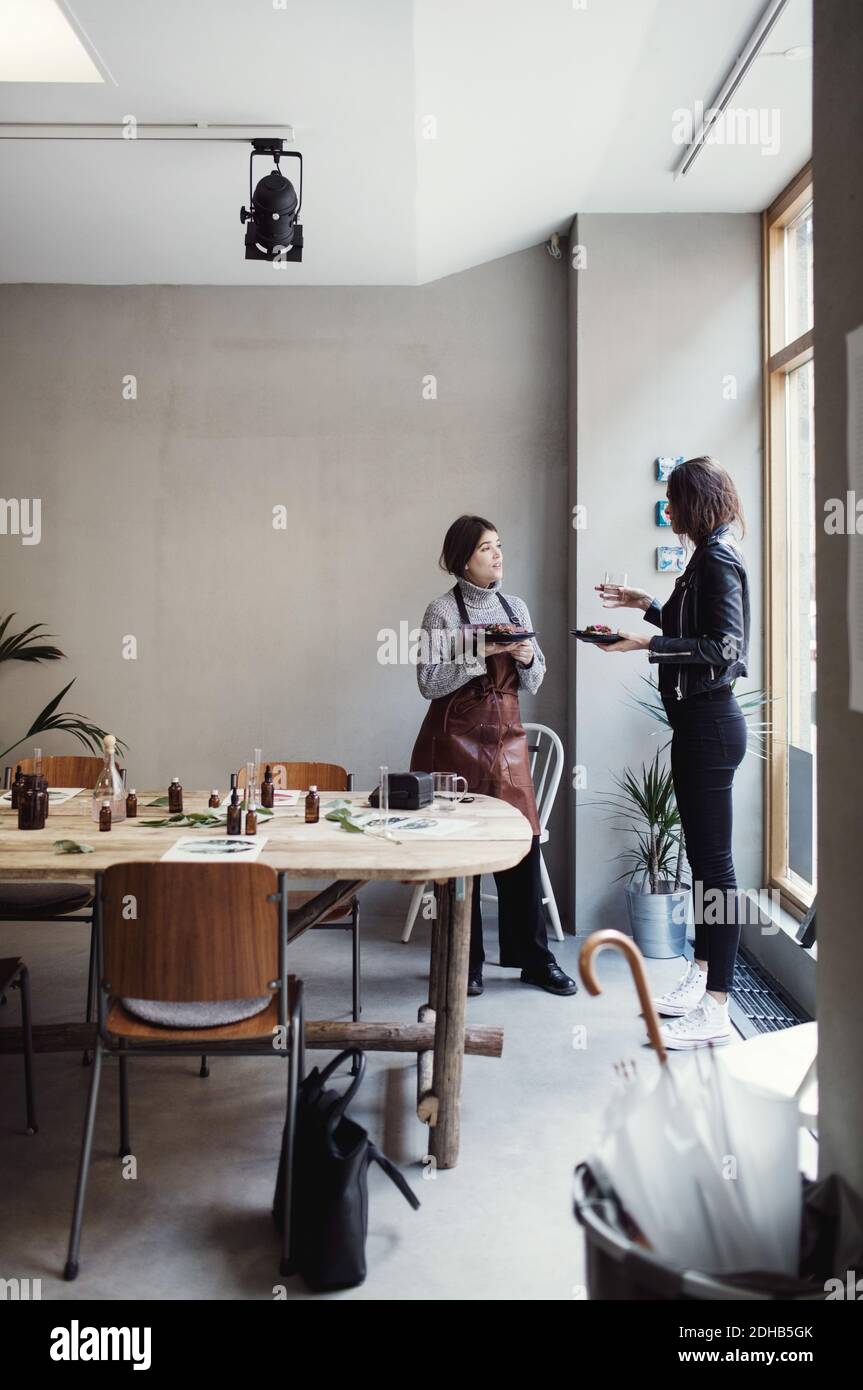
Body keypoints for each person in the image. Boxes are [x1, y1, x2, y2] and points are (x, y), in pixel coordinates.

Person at [594, 457, 750, 1048]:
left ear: (696, 501)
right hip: (699, 727)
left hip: (709, 728)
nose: (669, 510)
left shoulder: (717, 558)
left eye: (675, 499)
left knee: (718, 873)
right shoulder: (707, 555)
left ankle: (716, 1006)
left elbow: (726, 646)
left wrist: (648, 642)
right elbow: (700, 630)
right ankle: (702, 976)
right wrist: (646, 606)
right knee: (707, 866)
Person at [410, 515, 576, 997]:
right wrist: (480, 653)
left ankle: (534, 960)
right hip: (454, 742)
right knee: (461, 852)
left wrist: (527, 658)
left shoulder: (516, 606)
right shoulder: (440, 611)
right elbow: (428, 683)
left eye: (499, 546)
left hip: (506, 740)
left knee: (521, 846)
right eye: (487, 548)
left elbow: (535, 679)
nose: (498, 555)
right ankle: (467, 961)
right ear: (464, 558)